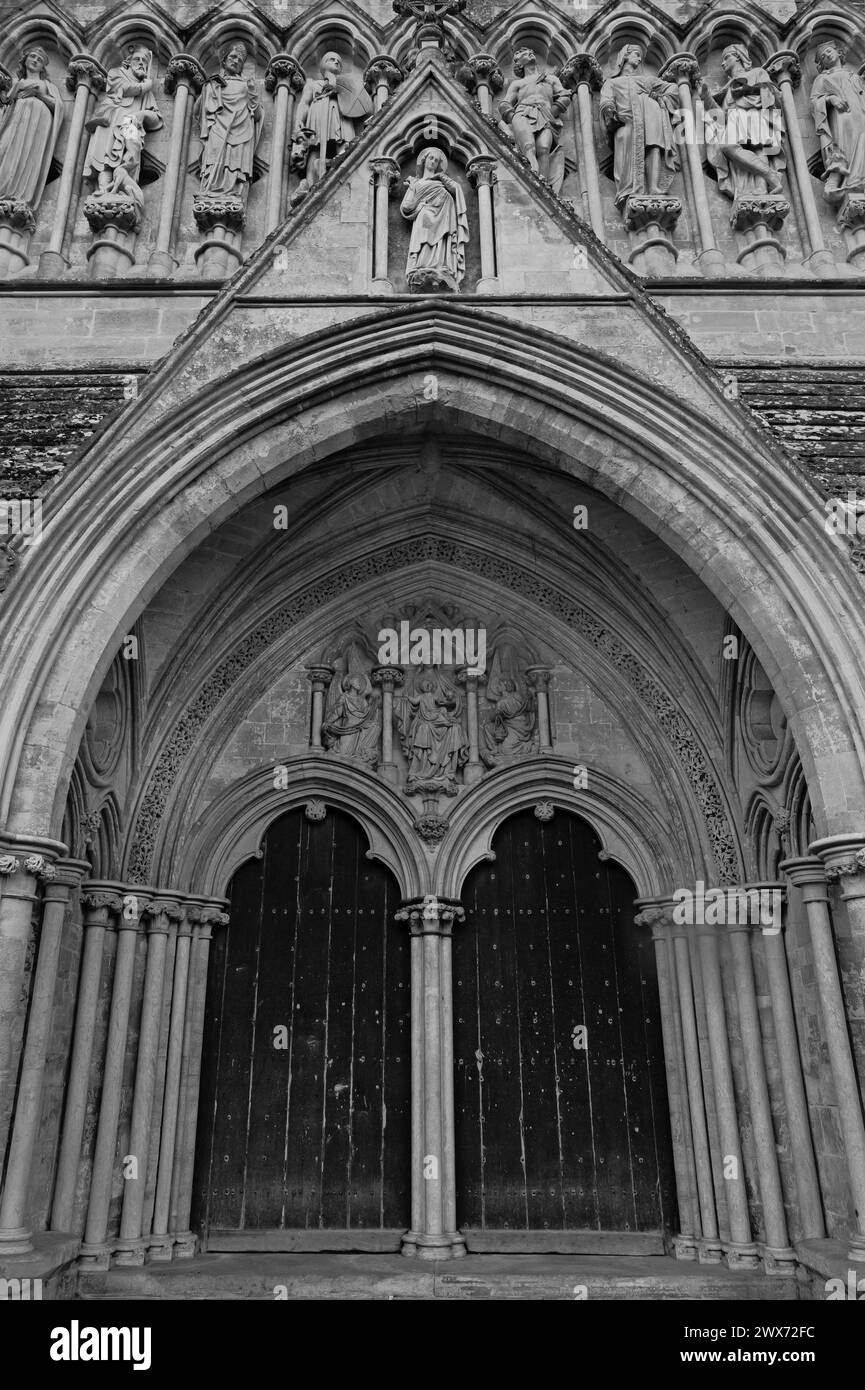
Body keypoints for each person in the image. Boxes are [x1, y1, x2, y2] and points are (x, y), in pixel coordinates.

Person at [599, 43, 679, 209]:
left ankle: (654, 187)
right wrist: (609, 112)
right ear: (625, 56)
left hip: (650, 117)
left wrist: (658, 96)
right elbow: (606, 101)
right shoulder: (613, 83)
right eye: (636, 53)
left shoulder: (647, 80)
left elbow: (673, 89)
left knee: (654, 147)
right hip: (626, 122)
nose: (639, 58)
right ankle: (627, 191)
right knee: (624, 153)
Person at [702, 43, 785, 200]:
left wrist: (746, 88)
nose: (722, 63)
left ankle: (762, 187)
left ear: (739, 57)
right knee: (728, 146)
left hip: (753, 114)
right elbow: (722, 116)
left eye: (727, 57)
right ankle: (770, 176)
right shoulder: (727, 89)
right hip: (735, 118)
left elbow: (771, 93)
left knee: (758, 147)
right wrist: (706, 96)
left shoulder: (757, 73)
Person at [84, 44, 162, 193]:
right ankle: (103, 190)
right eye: (137, 59)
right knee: (106, 157)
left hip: (129, 122)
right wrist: (145, 86)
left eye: (144, 61)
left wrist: (143, 114)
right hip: (112, 119)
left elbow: (156, 119)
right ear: (128, 62)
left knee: (133, 149)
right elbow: (123, 89)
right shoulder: (116, 73)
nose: (141, 63)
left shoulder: (146, 92)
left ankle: (123, 183)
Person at [291, 52, 371, 196]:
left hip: (341, 114)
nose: (336, 62)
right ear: (323, 64)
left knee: (344, 145)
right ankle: (309, 184)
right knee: (315, 149)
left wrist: (338, 90)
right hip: (319, 114)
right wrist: (299, 121)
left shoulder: (345, 84)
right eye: (332, 59)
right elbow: (304, 103)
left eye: (338, 61)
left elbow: (357, 101)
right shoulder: (313, 85)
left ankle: (343, 175)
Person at [499, 47, 572, 192]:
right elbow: (504, 103)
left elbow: (564, 96)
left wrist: (551, 112)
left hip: (545, 115)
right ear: (519, 64)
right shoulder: (518, 84)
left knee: (544, 149)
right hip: (523, 114)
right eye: (524, 54)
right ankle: (533, 180)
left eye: (530, 52)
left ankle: (543, 186)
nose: (530, 53)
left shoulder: (551, 79)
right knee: (528, 147)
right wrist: (513, 117)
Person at [195, 41, 261, 199]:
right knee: (213, 157)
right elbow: (198, 112)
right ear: (223, 60)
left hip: (241, 129)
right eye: (232, 57)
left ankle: (233, 192)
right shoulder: (213, 84)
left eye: (240, 60)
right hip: (218, 127)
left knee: (234, 164)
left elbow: (257, 115)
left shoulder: (246, 86)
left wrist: (252, 92)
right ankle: (210, 189)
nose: (236, 60)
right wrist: (211, 89)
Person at [0, 46, 63, 208]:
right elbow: (6, 105)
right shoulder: (17, 82)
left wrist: (38, 95)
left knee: (27, 156)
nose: (35, 60)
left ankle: (18, 197)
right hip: (15, 124)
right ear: (25, 60)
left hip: (37, 127)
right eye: (32, 57)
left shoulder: (47, 85)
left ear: (43, 67)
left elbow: (58, 107)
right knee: (6, 149)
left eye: (39, 60)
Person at [400, 148, 469, 292]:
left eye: (437, 160)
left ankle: (441, 266)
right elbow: (406, 207)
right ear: (424, 160)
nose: (433, 162)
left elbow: (456, 189)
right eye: (431, 158)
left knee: (442, 241)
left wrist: (441, 177)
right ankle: (421, 267)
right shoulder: (416, 183)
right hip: (424, 215)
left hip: (444, 214)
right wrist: (419, 205)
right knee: (424, 240)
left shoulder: (441, 179)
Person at [810, 41, 865, 204]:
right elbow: (814, 102)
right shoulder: (822, 78)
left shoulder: (853, 75)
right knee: (845, 144)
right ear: (821, 64)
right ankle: (846, 179)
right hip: (841, 116)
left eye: (829, 51)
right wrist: (831, 99)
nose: (827, 55)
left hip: (860, 113)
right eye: (823, 56)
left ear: (839, 52)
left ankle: (859, 177)